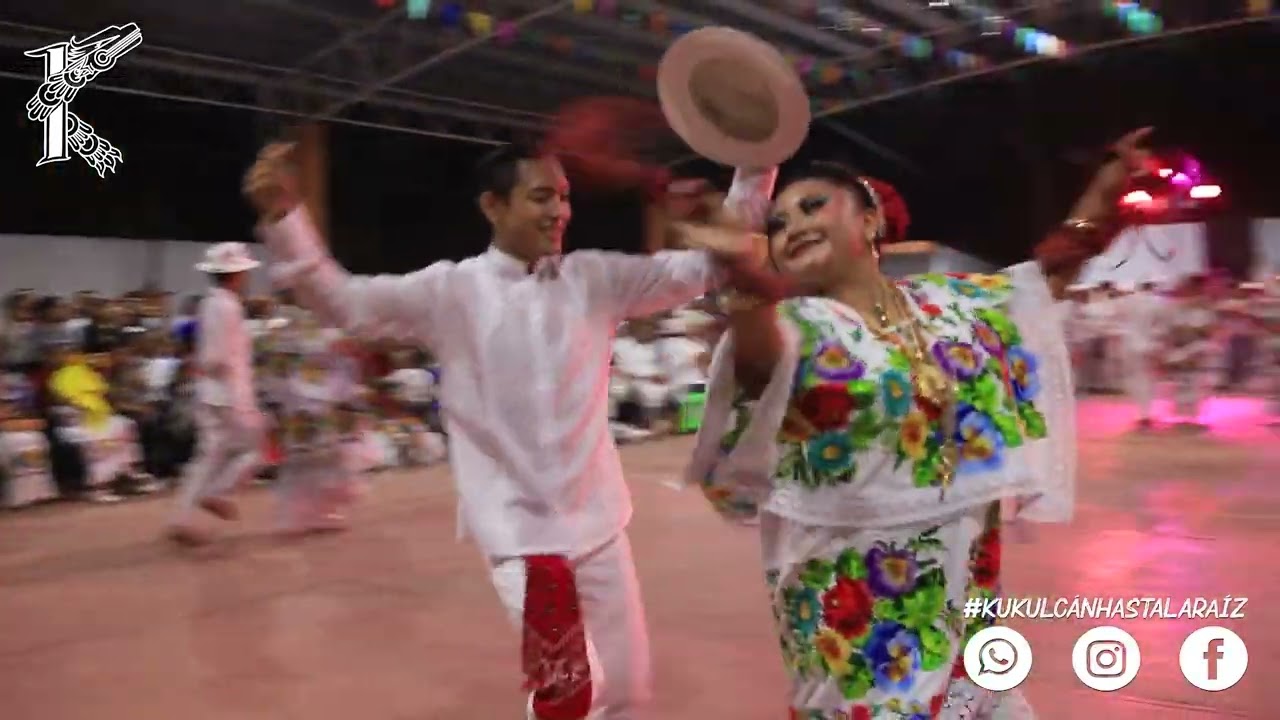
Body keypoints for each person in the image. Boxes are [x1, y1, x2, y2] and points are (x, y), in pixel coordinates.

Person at [243, 140, 773, 720]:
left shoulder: (595, 278)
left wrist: (757, 162)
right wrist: (285, 218)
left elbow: (705, 266)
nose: (559, 212)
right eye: (541, 196)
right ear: (493, 206)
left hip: (598, 523)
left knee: (625, 688)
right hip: (522, 537)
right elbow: (345, 302)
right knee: (571, 688)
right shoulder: (450, 292)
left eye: (565, 197)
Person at [678, 129, 1151, 719]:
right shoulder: (799, 324)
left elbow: (1047, 272)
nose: (792, 225)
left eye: (812, 205)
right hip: (864, 639)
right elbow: (756, 362)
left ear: (870, 220)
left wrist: (1108, 189)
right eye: (776, 224)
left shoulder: (949, 304)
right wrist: (742, 279)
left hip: (971, 616)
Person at [166, 242, 266, 546]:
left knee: (206, 457)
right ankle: (218, 492)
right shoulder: (230, 306)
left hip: (208, 390)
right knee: (255, 448)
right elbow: (222, 358)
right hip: (230, 393)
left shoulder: (209, 303)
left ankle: (180, 518)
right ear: (236, 274)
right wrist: (240, 395)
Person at [1118, 279, 1169, 428]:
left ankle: (1140, 412)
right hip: (1149, 344)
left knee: (1134, 378)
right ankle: (1145, 413)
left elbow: (1120, 321)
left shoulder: (1127, 300)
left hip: (1129, 344)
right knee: (1148, 379)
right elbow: (1161, 326)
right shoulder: (1159, 302)